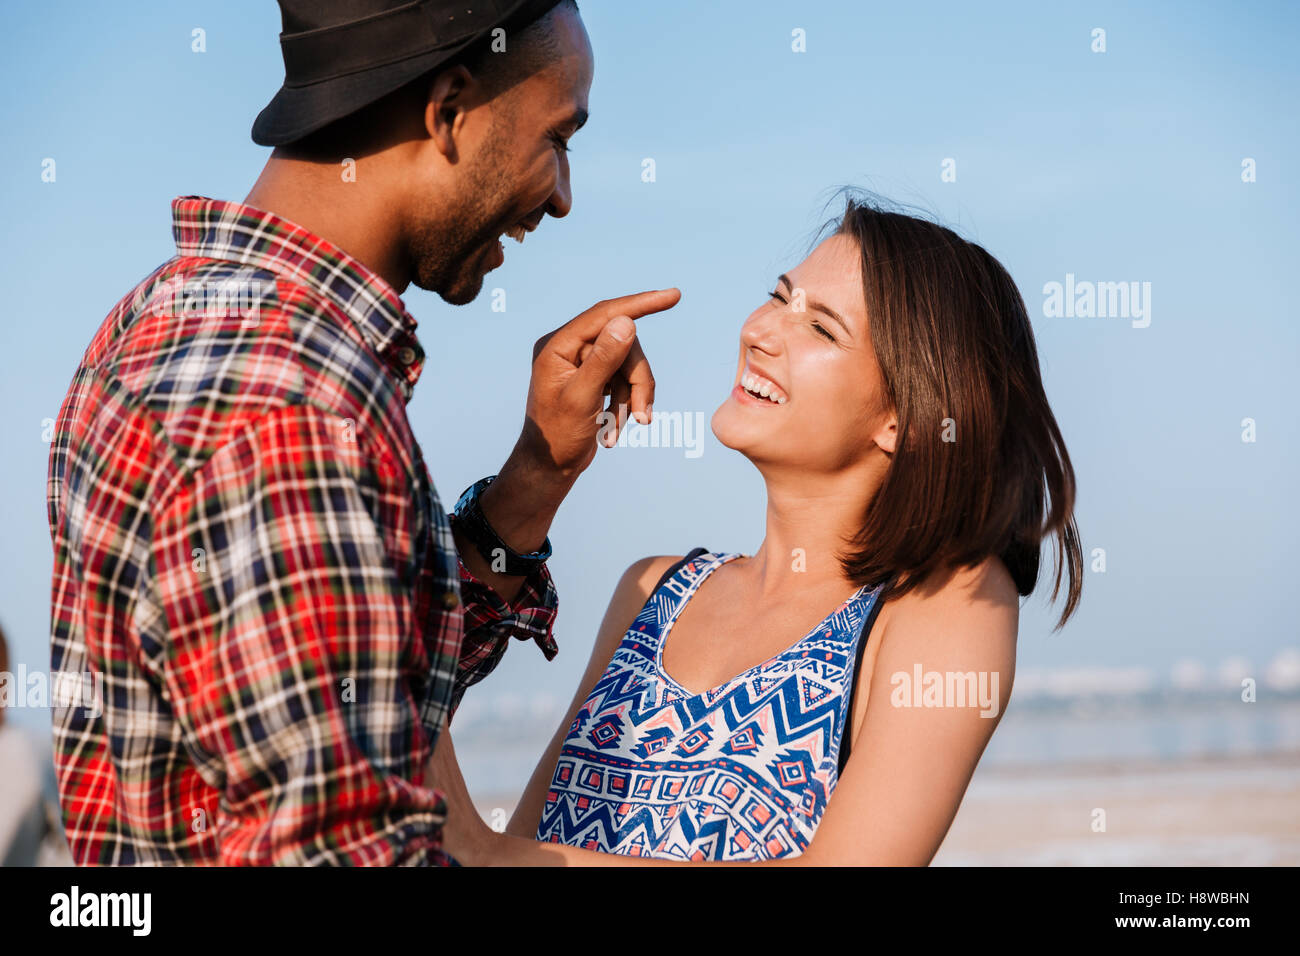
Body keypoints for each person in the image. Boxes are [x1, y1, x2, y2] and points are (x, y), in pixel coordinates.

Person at [46, 0, 679, 865]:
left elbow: (372, 691)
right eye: (559, 139)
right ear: (449, 109)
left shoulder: (175, 317)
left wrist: (533, 480)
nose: (562, 198)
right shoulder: (290, 407)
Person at [431, 196, 1084, 865]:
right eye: (779, 297)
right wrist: (540, 467)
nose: (761, 331)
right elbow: (525, 846)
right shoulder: (654, 591)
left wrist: (482, 852)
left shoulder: (943, 605)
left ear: (906, 419)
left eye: (823, 330)